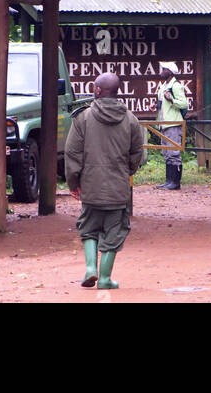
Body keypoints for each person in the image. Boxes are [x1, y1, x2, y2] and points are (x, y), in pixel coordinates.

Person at [64, 72, 144, 289]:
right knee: (114, 232)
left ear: (97, 91)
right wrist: (126, 171)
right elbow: (137, 153)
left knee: (88, 228)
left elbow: (72, 153)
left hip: (91, 187)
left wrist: (74, 183)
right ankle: (106, 278)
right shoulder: (131, 119)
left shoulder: (83, 118)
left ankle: (91, 269)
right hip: (118, 189)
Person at [153, 61, 188, 190]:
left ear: (170, 72)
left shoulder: (176, 86)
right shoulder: (164, 86)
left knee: (173, 152)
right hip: (164, 123)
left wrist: (172, 100)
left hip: (173, 122)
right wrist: (155, 106)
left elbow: (183, 104)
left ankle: (175, 182)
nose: (161, 71)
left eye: (164, 69)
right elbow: (162, 103)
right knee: (166, 153)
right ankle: (169, 181)